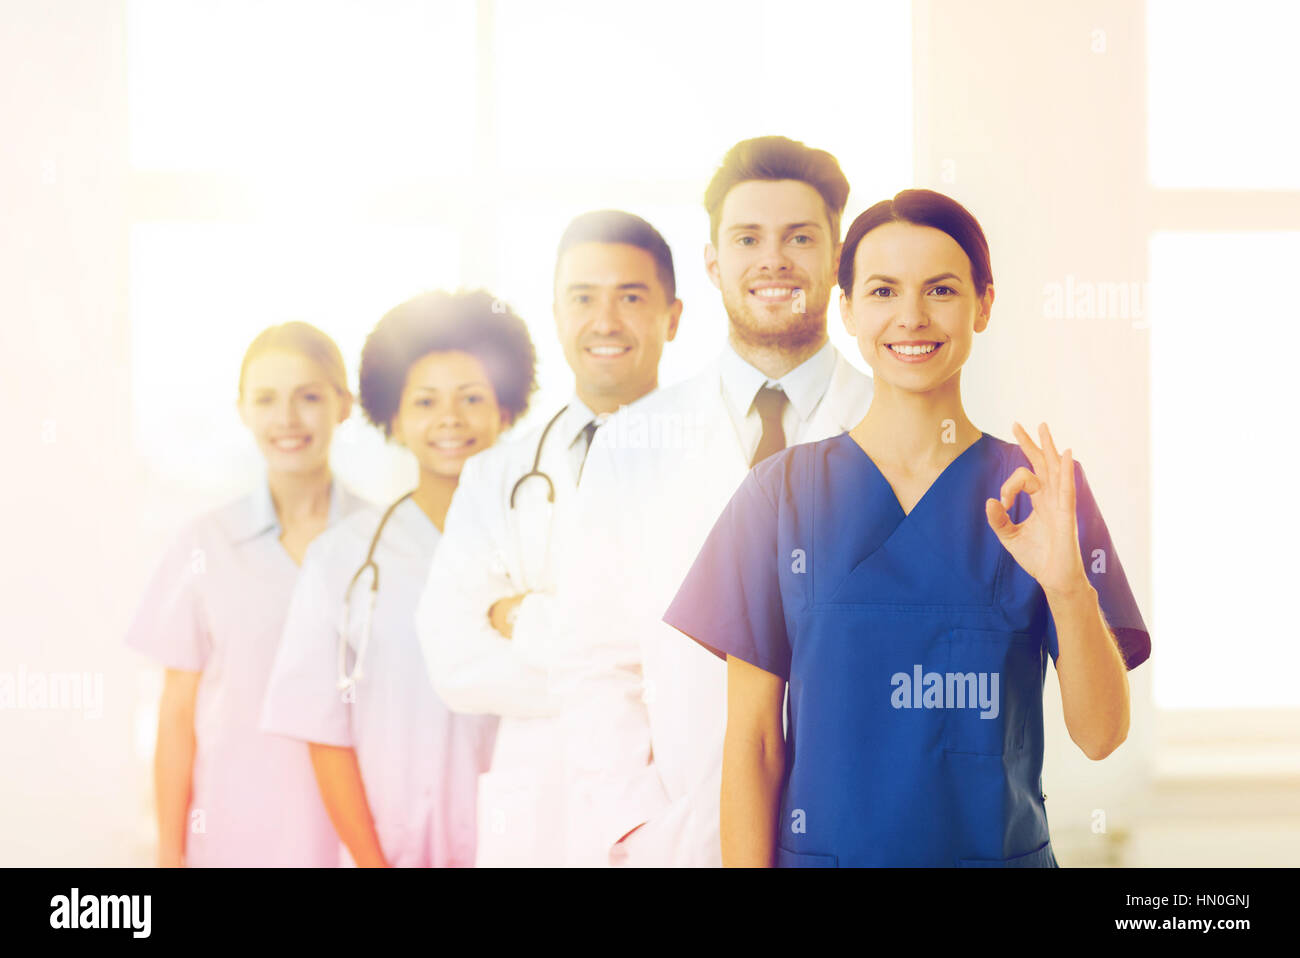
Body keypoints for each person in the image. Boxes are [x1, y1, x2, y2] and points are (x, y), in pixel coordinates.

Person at [664, 189, 1152, 867]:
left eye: (942, 289)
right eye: (884, 291)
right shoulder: (780, 497)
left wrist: (1068, 586)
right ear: (849, 310)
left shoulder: (1041, 494)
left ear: (984, 303)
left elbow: (1101, 737)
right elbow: (753, 745)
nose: (911, 317)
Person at [564, 136, 874, 866]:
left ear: (837, 261)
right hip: (684, 839)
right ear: (712, 263)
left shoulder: (895, 431)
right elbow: (595, 662)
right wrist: (639, 829)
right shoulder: (633, 441)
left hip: (866, 833)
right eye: (748, 239)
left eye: (800, 238)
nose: (774, 261)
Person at [416, 211, 682, 866]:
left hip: (672, 806)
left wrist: (522, 616)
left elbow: (709, 663)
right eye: (583, 298)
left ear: (673, 316)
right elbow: (453, 662)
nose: (605, 321)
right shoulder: (496, 474)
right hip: (538, 817)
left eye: (631, 297)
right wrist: (634, 672)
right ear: (557, 314)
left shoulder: (719, 464)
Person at [260, 290, 536, 867]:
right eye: (426, 401)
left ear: (505, 410)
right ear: (394, 417)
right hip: (392, 849)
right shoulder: (343, 558)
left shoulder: (541, 546)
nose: (450, 420)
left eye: (471, 398)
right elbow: (324, 729)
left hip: (527, 843)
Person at [125, 322, 366, 867]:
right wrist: (169, 856)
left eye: (308, 396)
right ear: (243, 411)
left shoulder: (383, 541)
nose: (286, 418)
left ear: (343, 405)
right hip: (232, 841)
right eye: (266, 399)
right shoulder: (204, 544)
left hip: (355, 845)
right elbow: (176, 717)